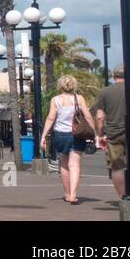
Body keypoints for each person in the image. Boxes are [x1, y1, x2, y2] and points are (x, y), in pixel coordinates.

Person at [91, 66, 130, 198]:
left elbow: (100, 116)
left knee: (117, 167)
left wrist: (100, 134)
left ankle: (123, 196)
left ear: (114, 76)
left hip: (114, 134)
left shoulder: (105, 92)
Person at [41, 74, 93, 204]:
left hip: (60, 135)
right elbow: (88, 116)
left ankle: (67, 194)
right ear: (73, 85)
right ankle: (74, 195)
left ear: (61, 85)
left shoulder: (55, 100)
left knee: (64, 165)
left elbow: (51, 118)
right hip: (77, 134)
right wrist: (95, 132)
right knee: (74, 165)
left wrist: (43, 136)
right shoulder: (79, 99)